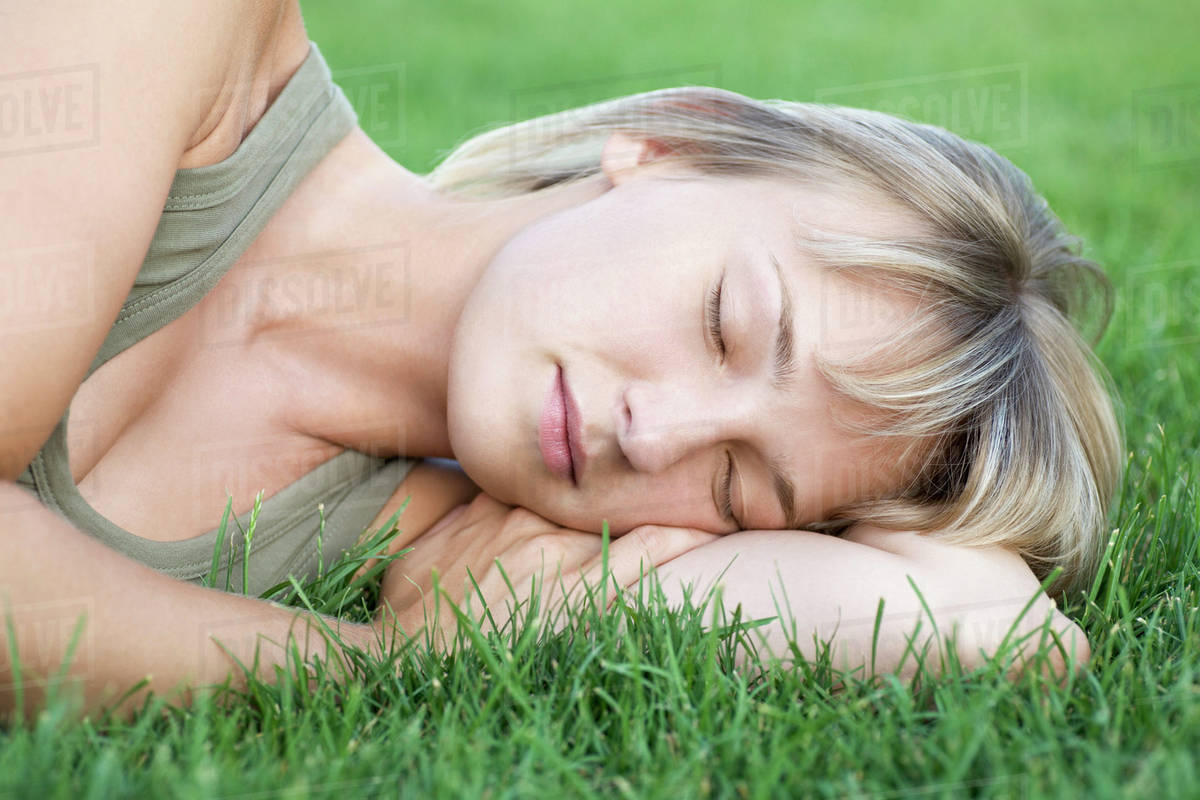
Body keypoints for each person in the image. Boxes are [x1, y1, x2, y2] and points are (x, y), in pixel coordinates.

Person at [0, 2, 1117, 718]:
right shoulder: (183, 33)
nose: (655, 434)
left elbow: (996, 633)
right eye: (726, 322)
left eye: (735, 486)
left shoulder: (471, 560)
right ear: (669, 143)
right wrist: (375, 664)